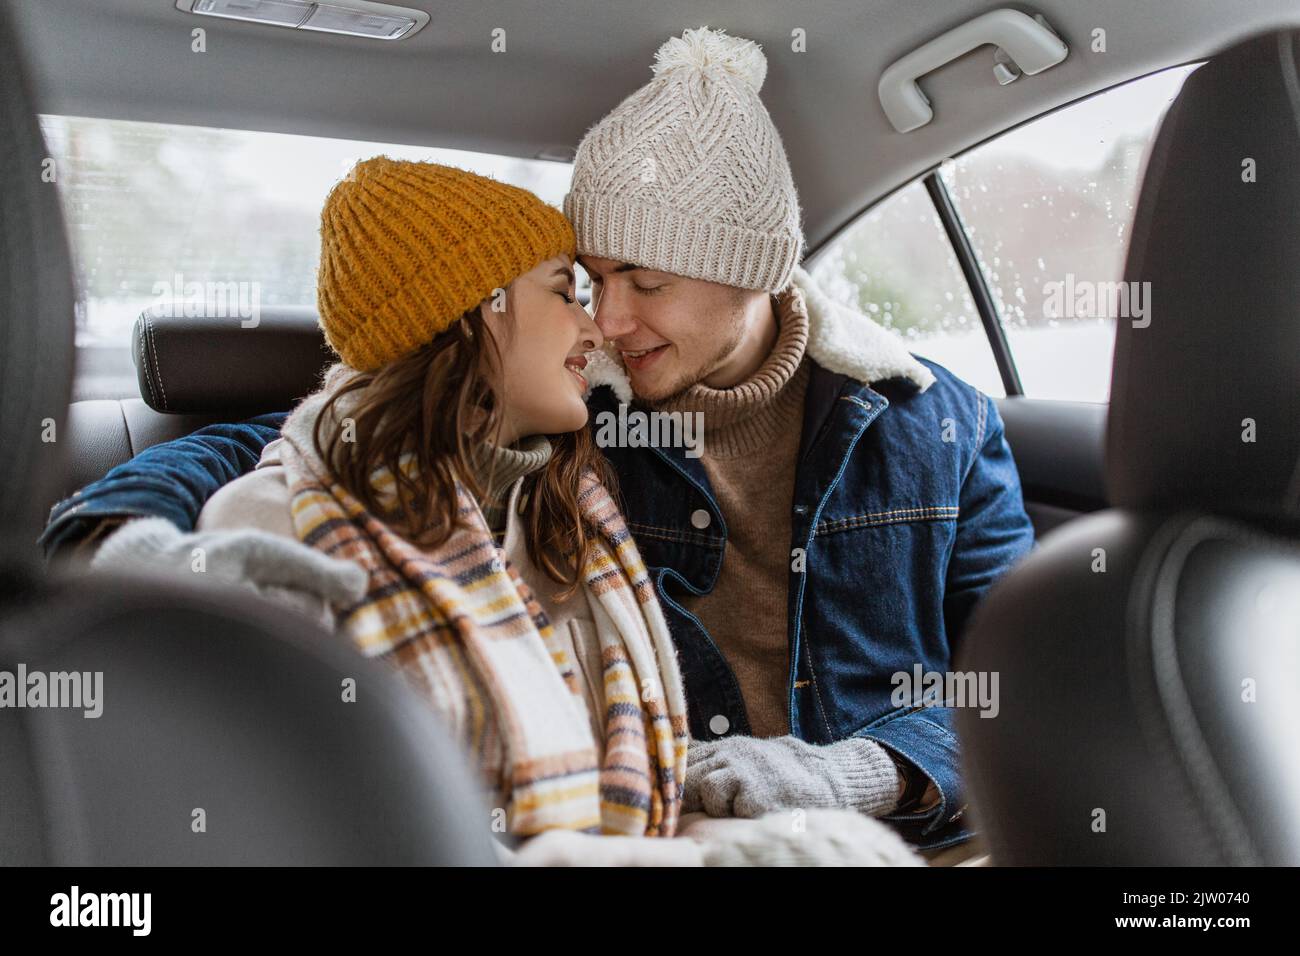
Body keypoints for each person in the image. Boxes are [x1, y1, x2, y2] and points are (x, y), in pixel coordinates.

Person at [44, 28, 1035, 863]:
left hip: (898, 845)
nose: (608, 319)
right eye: (586, 280)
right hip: (663, 831)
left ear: (753, 269)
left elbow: (1015, 691)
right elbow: (318, 439)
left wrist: (852, 773)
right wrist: (134, 549)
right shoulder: (568, 405)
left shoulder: (933, 420)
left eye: (641, 278)